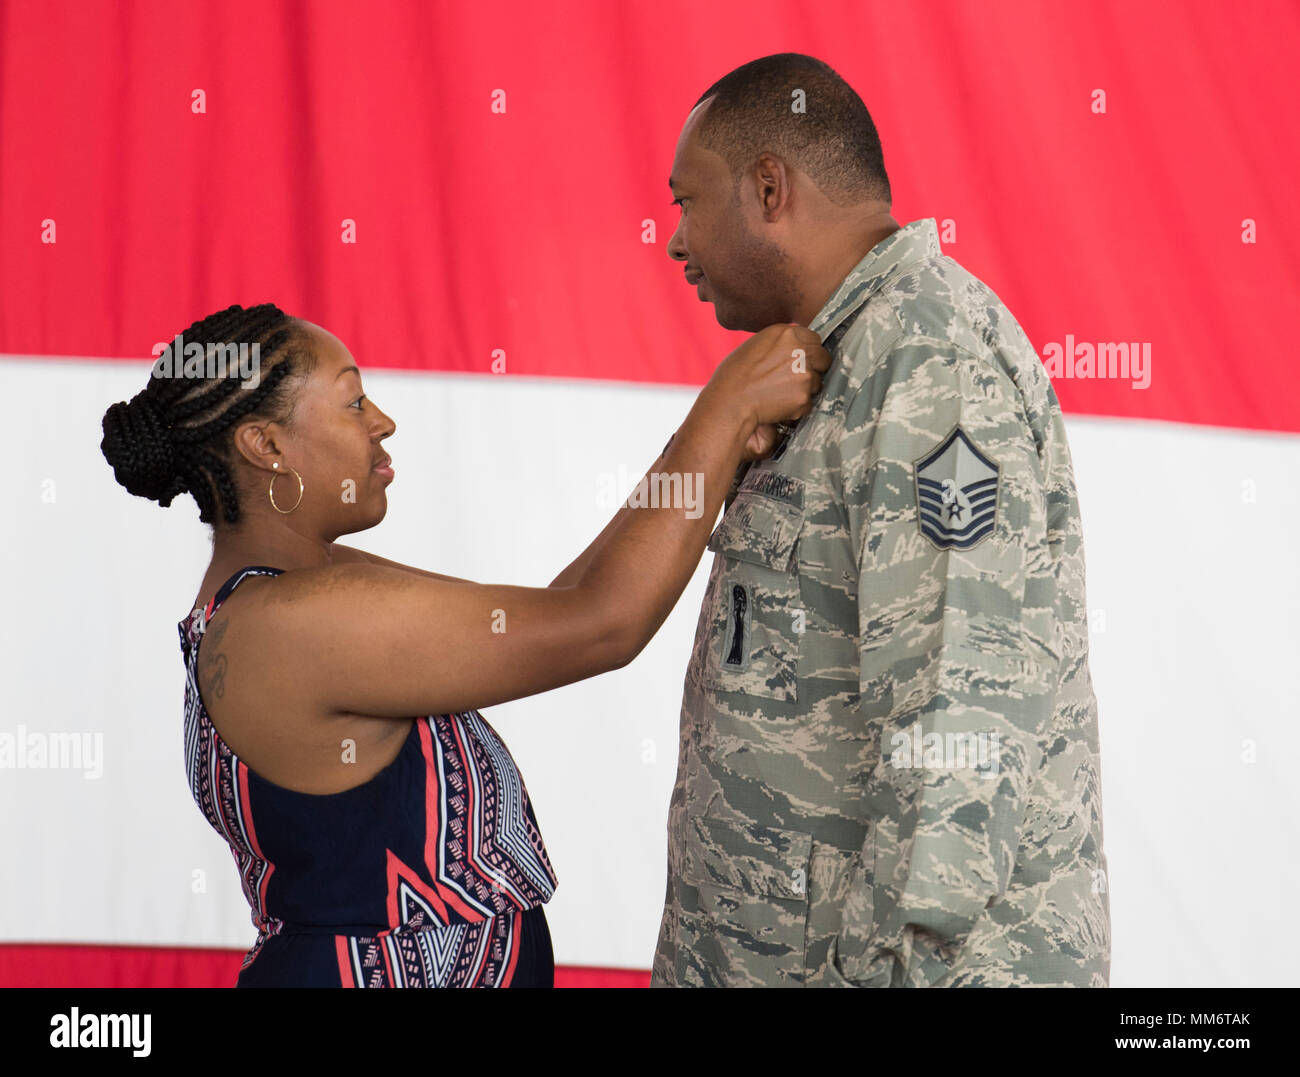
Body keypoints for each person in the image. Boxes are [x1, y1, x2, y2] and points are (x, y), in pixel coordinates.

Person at [99, 301, 829, 987]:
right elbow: (604, 625)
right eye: (353, 402)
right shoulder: (297, 619)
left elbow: (557, 610)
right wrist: (726, 407)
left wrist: (701, 451)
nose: (382, 421)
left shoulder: (300, 589)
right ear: (265, 445)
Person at [653, 53, 1111, 987]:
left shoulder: (925, 353)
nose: (675, 241)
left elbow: (958, 713)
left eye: (686, 202)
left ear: (769, 188)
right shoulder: (842, 355)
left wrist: (883, 966)